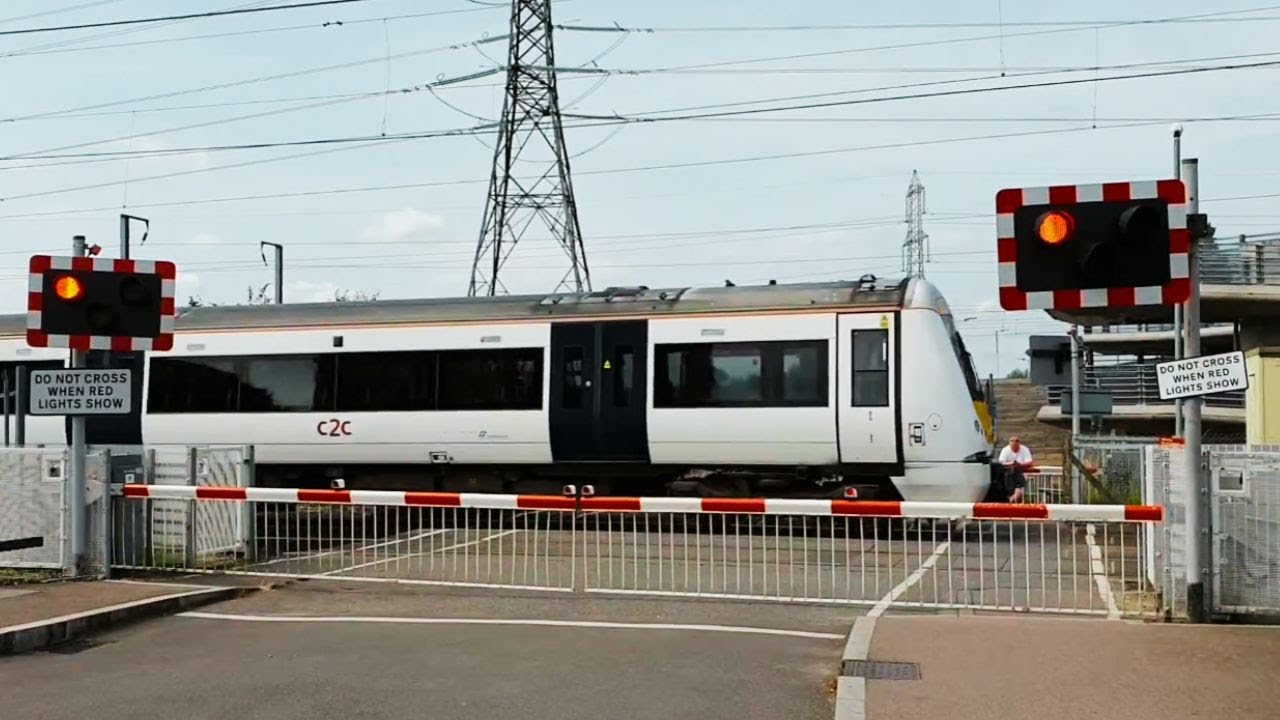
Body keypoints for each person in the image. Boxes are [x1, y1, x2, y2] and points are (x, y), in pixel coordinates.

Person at [997, 436, 1035, 503]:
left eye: (1016, 441)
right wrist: (1011, 464)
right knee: (1013, 469)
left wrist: (1019, 464)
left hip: (1021, 473)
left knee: (1016, 469)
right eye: (1012, 441)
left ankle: (1015, 492)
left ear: (1019, 443)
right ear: (1009, 443)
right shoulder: (1005, 450)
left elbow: (1030, 462)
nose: (1014, 442)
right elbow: (1001, 463)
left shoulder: (1025, 449)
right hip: (1008, 475)